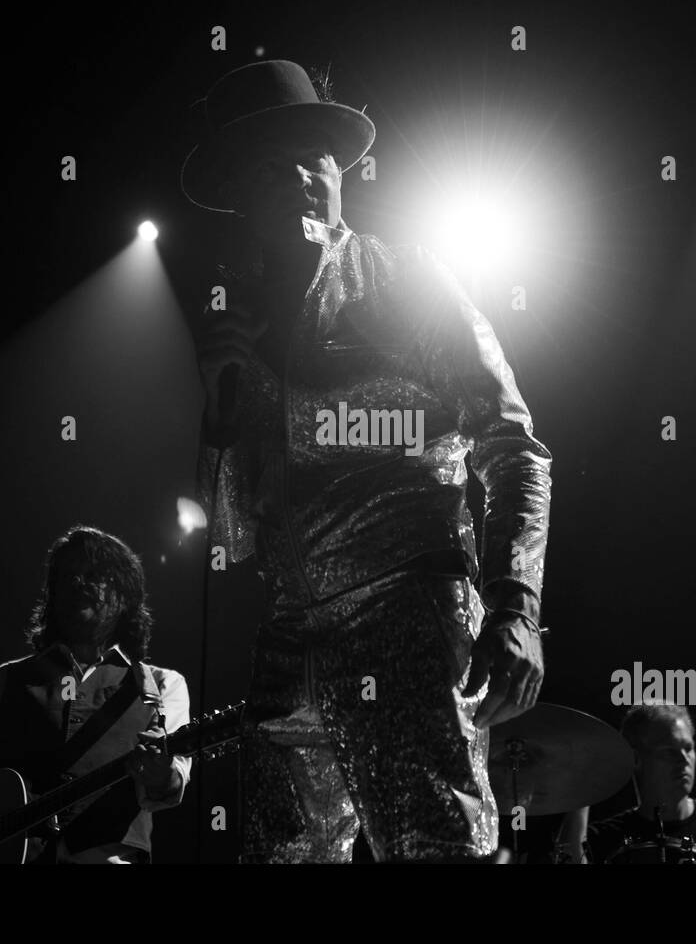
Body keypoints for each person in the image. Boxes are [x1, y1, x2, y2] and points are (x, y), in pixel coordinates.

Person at [181, 59, 553, 862]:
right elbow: (230, 541)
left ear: (339, 171)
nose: (299, 176)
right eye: (270, 163)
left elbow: (513, 445)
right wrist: (220, 408)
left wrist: (516, 604)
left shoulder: (407, 278)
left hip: (408, 619)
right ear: (240, 198)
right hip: (290, 649)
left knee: (436, 850)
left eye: (313, 154)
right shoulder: (237, 331)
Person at [0, 526, 190, 863]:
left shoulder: (161, 686)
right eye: (68, 576)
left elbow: (168, 787)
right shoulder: (12, 678)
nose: (79, 583)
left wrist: (160, 771)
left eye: (93, 574)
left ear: (125, 597)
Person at [558, 703, 696, 864]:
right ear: (635, 759)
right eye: (669, 751)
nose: (684, 759)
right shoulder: (604, 839)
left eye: (688, 748)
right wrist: (581, 790)